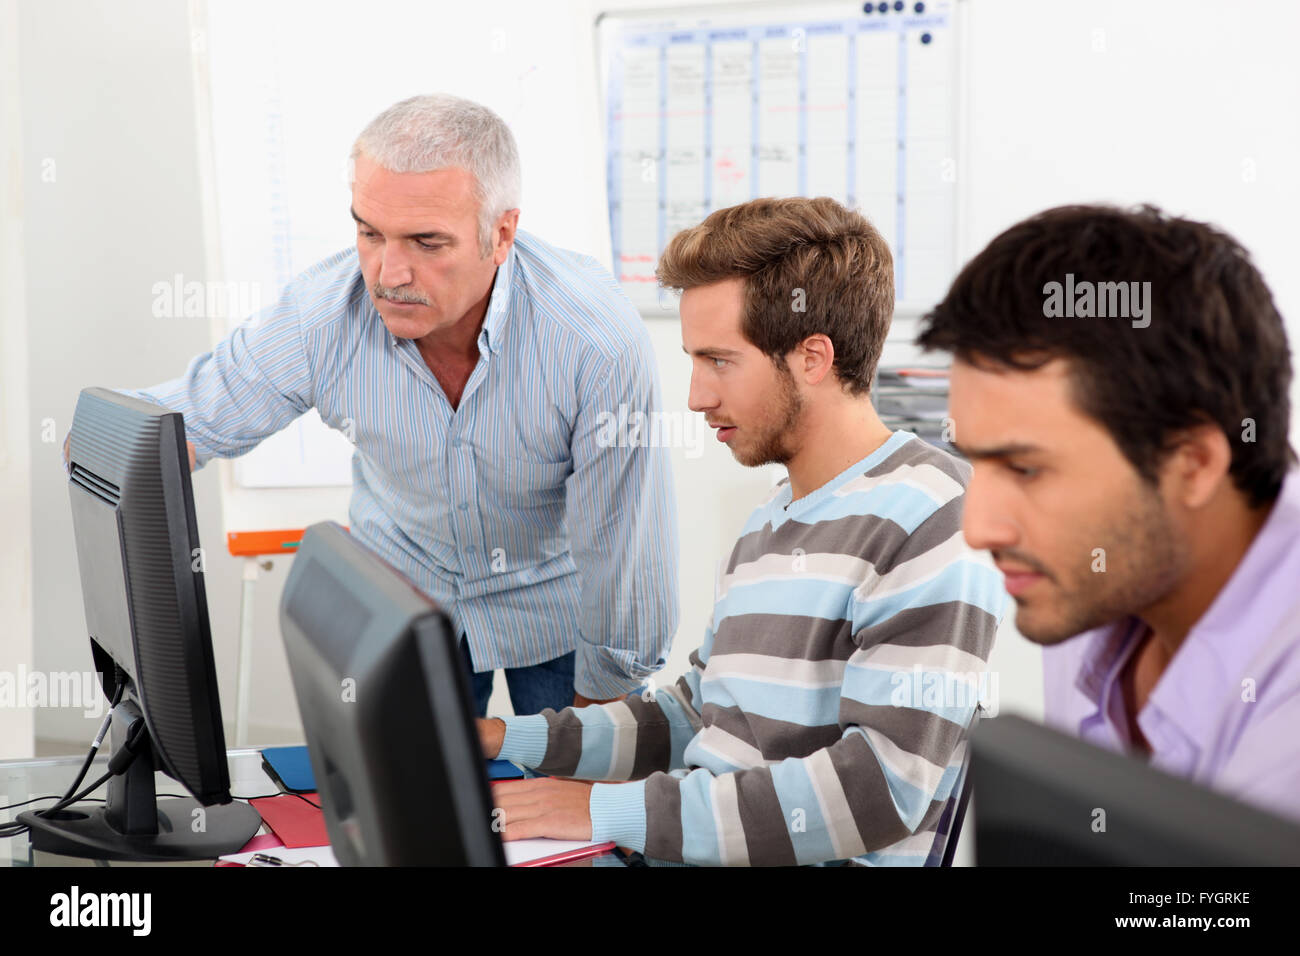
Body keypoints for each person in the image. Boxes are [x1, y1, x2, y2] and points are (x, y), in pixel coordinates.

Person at [81, 94, 679, 714]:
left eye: (426, 242)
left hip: (561, 603)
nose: (388, 273)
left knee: (574, 797)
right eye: (370, 233)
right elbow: (193, 418)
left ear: (500, 235)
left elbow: (626, 546)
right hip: (404, 598)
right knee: (412, 807)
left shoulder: (593, 338)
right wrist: (104, 444)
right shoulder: (323, 314)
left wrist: (595, 723)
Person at [480, 197, 1005, 866]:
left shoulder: (931, 516)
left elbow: (879, 791)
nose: (697, 396)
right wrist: (501, 738)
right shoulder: (776, 515)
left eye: (720, 361)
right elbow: (696, 717)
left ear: (813, 357)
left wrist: (597, 809)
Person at [916, 203, 1300, 823]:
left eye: (1026, 469)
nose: (978, 528)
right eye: (976, 462)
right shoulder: (1099, 582)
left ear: (1194, 463)